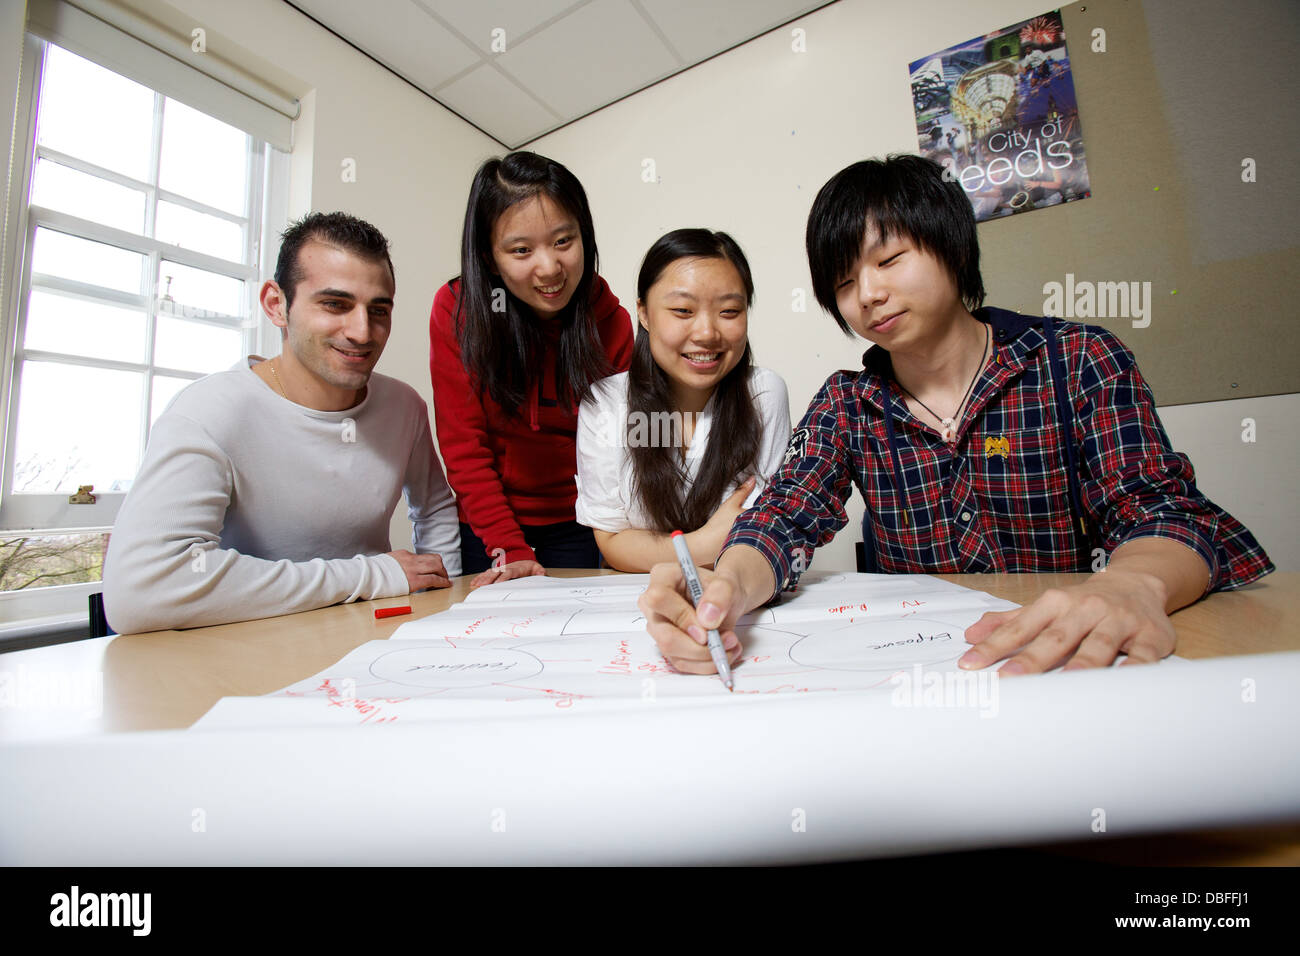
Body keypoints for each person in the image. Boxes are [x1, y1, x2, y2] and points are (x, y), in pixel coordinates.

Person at [638, 153, 1273, 676]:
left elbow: (1161, 512)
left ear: (951, 246)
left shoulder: (1078, 361)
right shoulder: (848, 403)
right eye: (843, 282)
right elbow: (782, 520)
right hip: (920, 675)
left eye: (888, 261)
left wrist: (1132, 586)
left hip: (1064, 666)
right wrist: (727, 591)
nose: (869, 295)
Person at [103, 212, 460, 633]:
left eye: (378, 310)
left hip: (369, 639)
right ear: (277, 304)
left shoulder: (404, 406)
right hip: (243, 646)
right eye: (335, 304)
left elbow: (434, 507)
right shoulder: (206, 412)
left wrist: (446, 606)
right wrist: (372, 575)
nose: (363, 332)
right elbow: (140, 592)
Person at [430, 151, 633, 587]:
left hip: (578, 521)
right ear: (488, 256)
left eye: (564, 241)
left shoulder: (610, 323)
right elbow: (464, 446)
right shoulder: (459, 311)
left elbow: (620, 451)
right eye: (521, 250)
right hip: (487, 525)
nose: (549, 268)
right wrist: (509, 547)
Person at [575, 229, 790, 572]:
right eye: (683, 310)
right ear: (644, 313)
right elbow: (613, 544)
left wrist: (658, 549)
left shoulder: (763, 394)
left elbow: (763, 529)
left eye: (730, 311)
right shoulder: (606, 404)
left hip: (736, 595)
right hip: (633, 603)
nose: (706, 333)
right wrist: (706, 541)